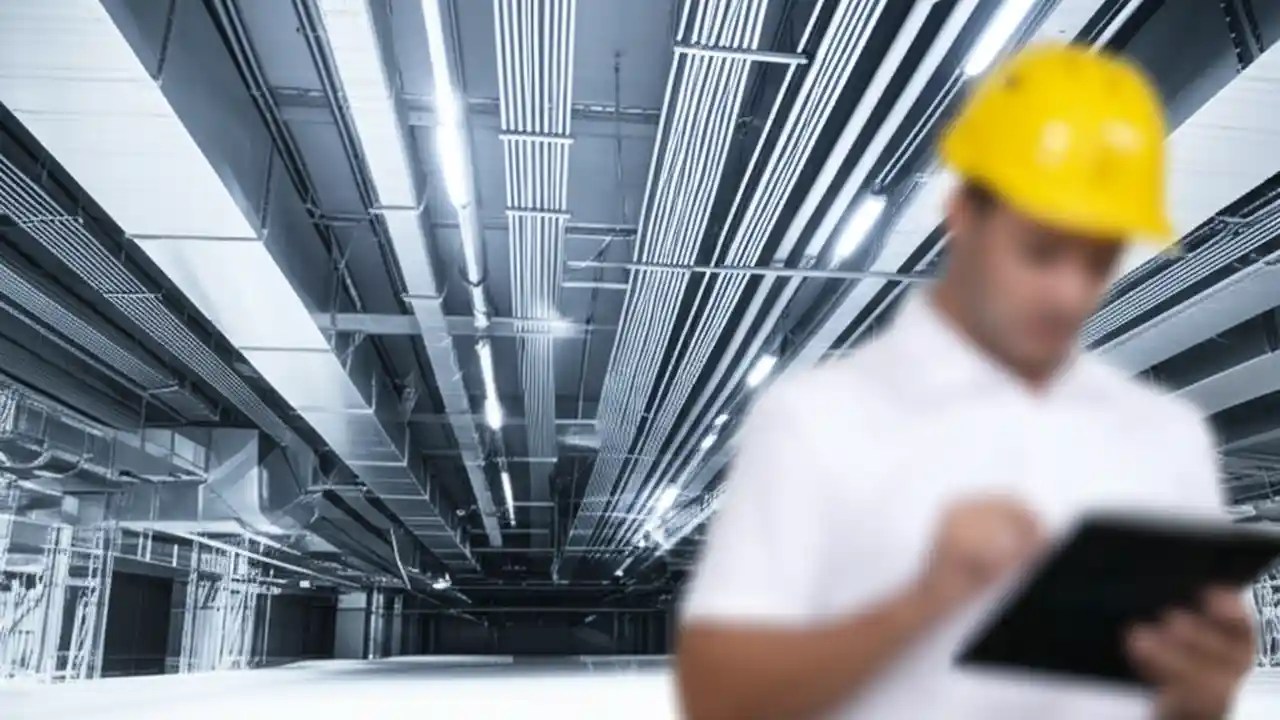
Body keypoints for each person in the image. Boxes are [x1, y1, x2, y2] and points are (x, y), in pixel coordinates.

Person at [676, 44, 1257, 720]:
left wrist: (1203, 690)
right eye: (1042, 249)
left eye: (1100, 257)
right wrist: (925, 599)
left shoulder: (1165, 437)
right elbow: (718, 694)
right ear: (962, 216)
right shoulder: (816, 422)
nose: (1070, 292)